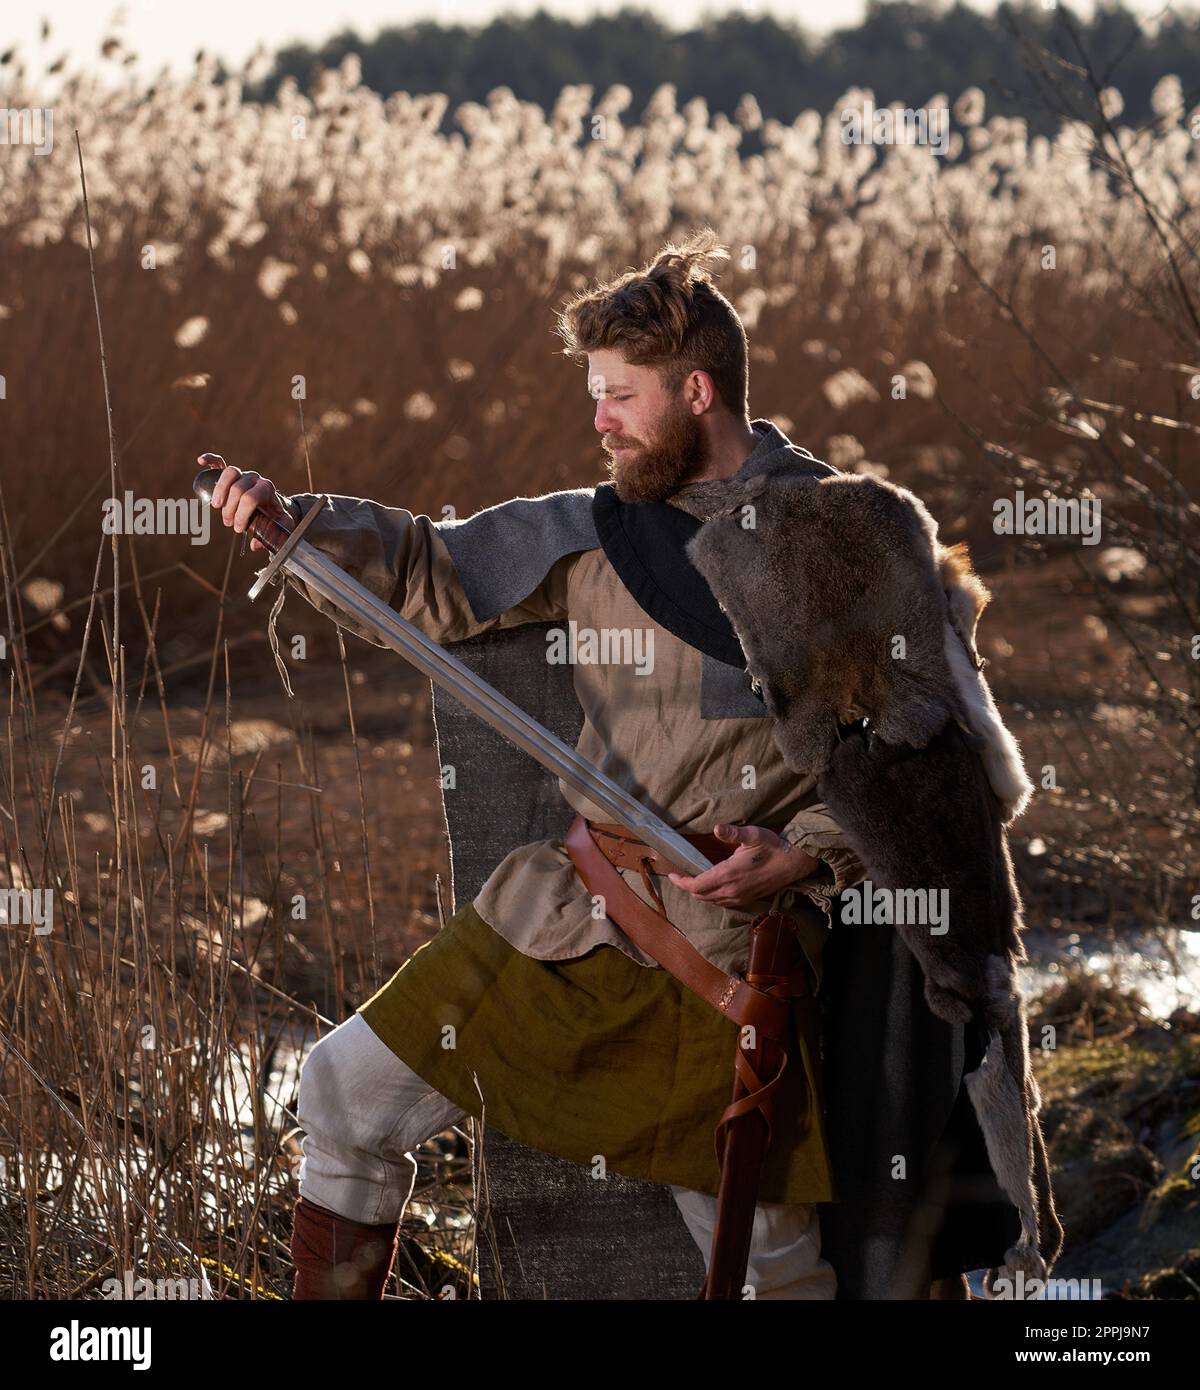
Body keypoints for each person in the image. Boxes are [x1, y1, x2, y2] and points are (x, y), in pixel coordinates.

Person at [205, 229, 974, 1300]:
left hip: (736, 961)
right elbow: (429, 566)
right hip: (570, 916)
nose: (598, 418)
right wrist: (295, 526)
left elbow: (932, 755)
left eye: (618, 394)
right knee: (340, 1091)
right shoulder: (595, 533)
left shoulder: (843, 545)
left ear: (696, 390)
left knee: (769, 1257)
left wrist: (802, 858)